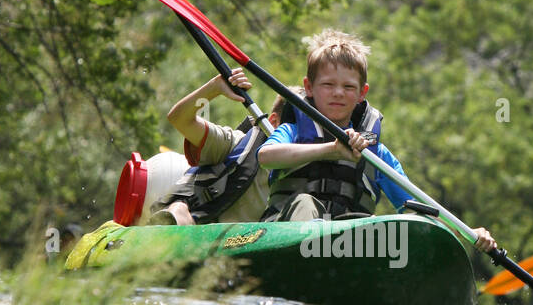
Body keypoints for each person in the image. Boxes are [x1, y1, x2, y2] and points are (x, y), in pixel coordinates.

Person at [257, 28, 497, 251]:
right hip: (287, 236)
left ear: (362, 93)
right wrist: (330, 150)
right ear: (309, 87)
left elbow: (417, 206)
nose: (338, 92)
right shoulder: (293, 131)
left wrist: (465, 233)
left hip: (346, 248)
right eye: (328, 84)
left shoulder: (374, 153)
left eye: (348, 87)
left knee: (381, 226)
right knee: (304, 202)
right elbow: (266, 157)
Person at [150, 69, 286, 225]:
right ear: (274, 123)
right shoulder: (237, 143)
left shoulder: (310, 171)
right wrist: (214, 88)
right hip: (203, 232)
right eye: (296, 128)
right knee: (180, 209)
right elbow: (180, 119)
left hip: (257, 243)